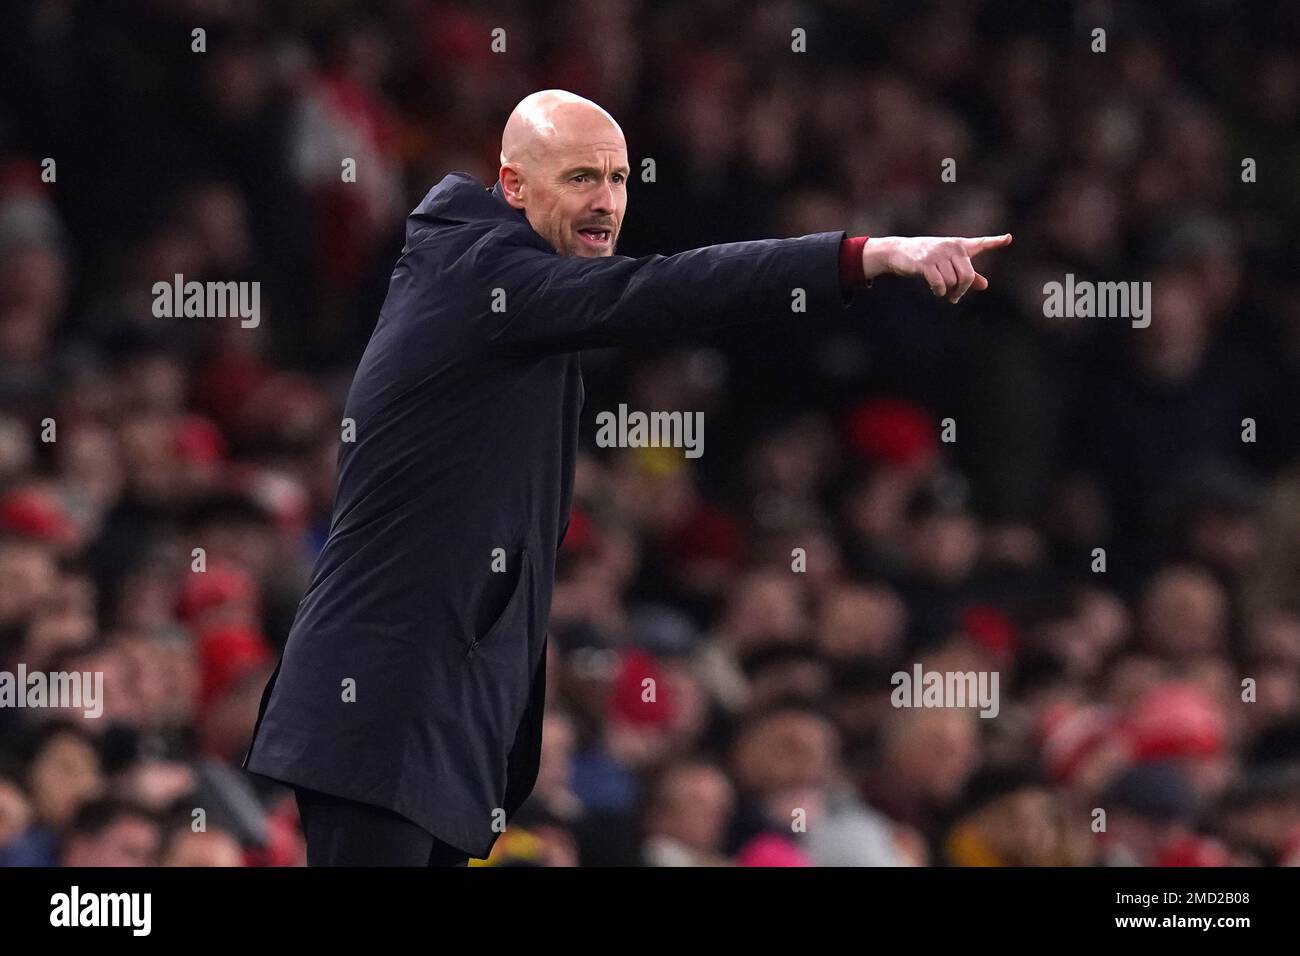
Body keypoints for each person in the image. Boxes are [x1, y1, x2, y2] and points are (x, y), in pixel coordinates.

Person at [241, 89, 1012, 866]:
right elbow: (661, 291)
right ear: (513, 186)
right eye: (580, 177)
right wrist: (864, 255)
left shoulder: (519, 299)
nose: (606, 201)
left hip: (441, 728)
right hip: (382, 711)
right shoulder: (477, 272)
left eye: (617, 179)